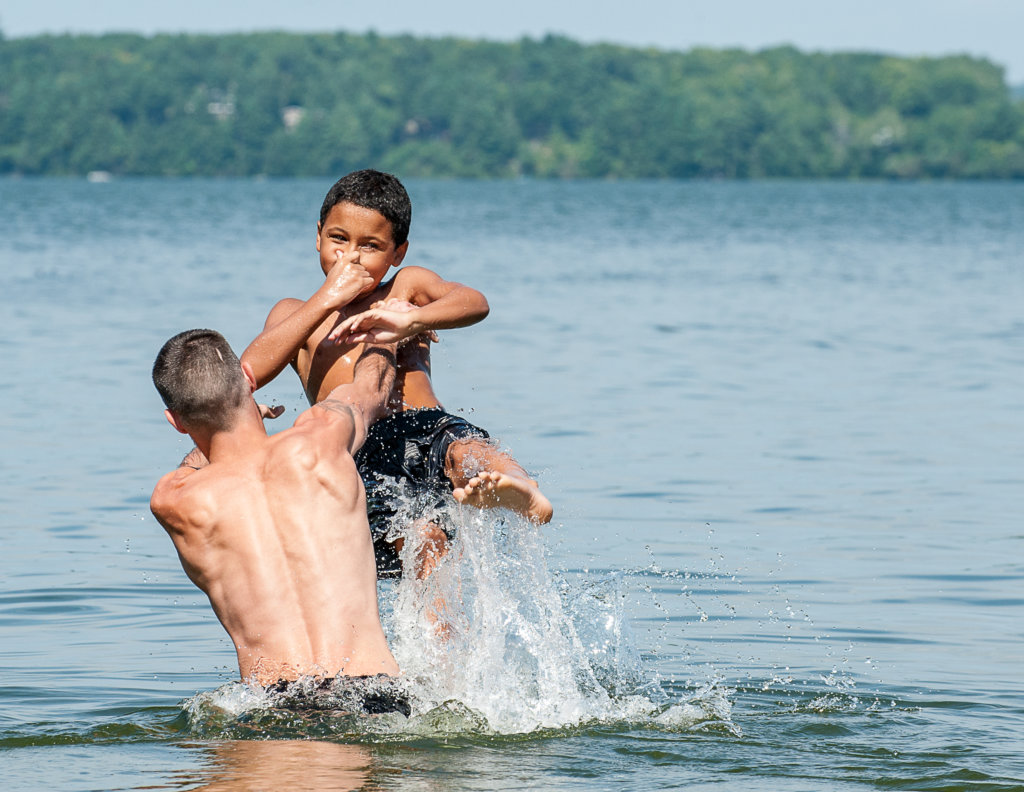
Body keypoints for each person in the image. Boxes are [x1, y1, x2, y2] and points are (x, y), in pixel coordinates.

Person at [241, 169, 552, 580]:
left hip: (425, 426)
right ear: (317, 235)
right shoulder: (296, 315)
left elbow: (475, 302)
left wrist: (413, 321)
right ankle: (438, 644)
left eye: (370, 246)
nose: (349, 257)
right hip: (362, 455)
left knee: (465, 452)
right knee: (425, 546)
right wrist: (325, 300)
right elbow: (248, 372)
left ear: (397, 253)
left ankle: (519, 487)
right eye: (338, 239)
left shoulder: (404, 288)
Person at [149, 327, 410, 715]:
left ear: (176, 422)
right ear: (248, 385)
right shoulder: (322, 436)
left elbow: (202, 464)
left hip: (271, 706)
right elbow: (373, 386)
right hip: (371, 695)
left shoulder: (173, 500)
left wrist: (226, 428)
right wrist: (389, 329)